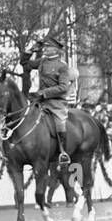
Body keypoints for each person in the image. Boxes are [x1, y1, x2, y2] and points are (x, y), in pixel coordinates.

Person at [33, 35, 77, 167]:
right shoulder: (42, 62)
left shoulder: (62, 67)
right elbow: (25, 64)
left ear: (56, 50)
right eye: (45, 46)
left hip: (56, 103)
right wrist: (31, 50)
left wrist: (44, 93)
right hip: (40, 101)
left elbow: (63, 87)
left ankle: (63, 152)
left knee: (59, 124)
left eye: (48, 47)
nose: (45, 49)